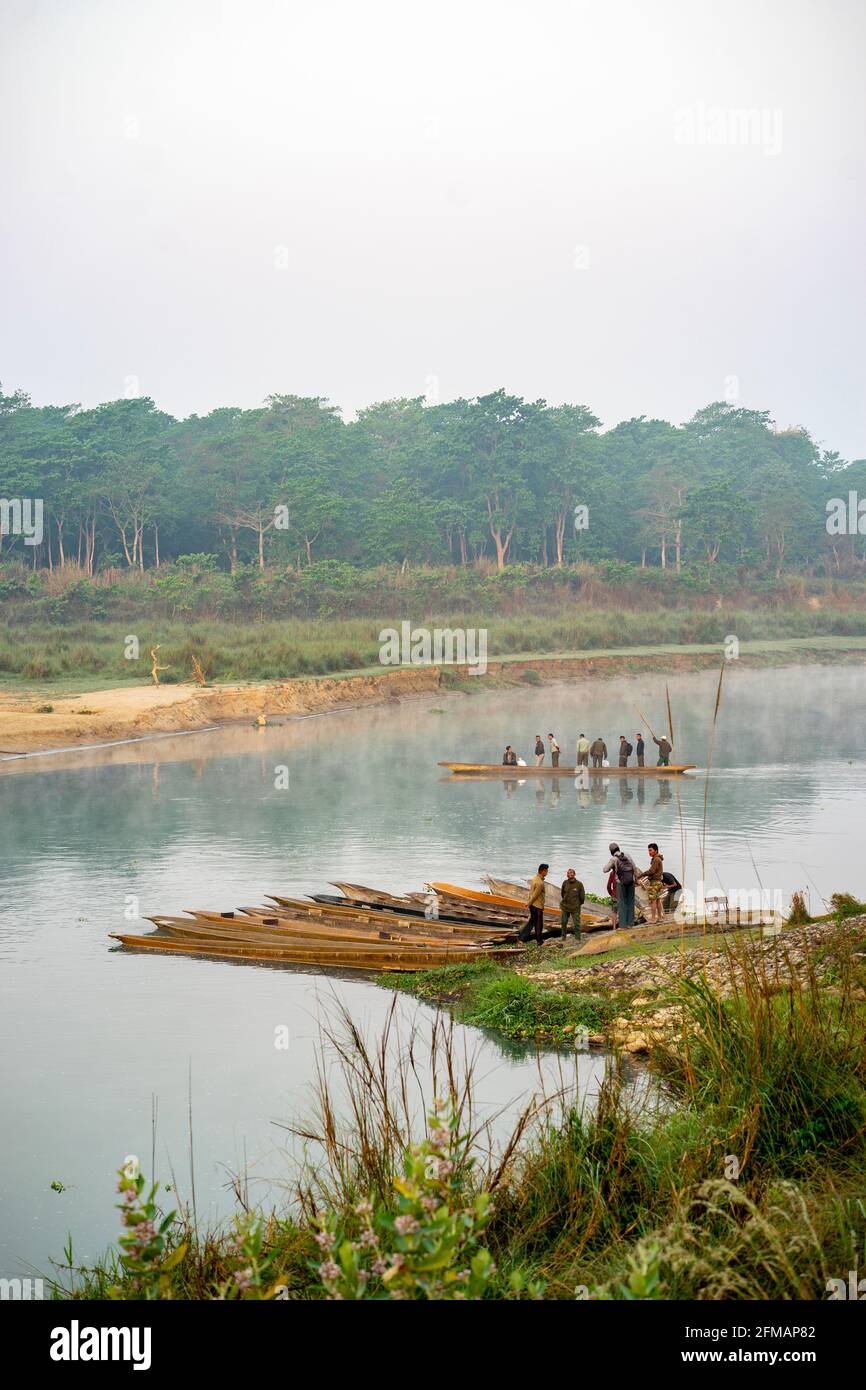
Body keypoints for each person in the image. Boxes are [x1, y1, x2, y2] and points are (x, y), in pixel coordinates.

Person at [602, 841, 638, 929]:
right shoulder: (627, 855)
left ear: (611, 852)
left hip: (621, 883)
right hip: (631, 881)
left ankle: (623, 926)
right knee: (630, 902)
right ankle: (630, 924)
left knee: (622, 903)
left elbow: (605, 869)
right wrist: (635, 879)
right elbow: (634, 867)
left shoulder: (614, 859)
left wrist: (613, 866)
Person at [518, 863, 550, 944]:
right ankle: (539, 941)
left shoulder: (535, 878)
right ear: (543, 871)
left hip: (533, 906)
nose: (547, 872)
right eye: (546, 871)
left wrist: (529, 903)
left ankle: (522, 938)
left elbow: (531, 893)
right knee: (538, 924)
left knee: (532, 922)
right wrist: (528, 903)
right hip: (537, 906)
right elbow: (535, 895)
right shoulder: (540, 883)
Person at [639, 842, 665, 923]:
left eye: (651, 850)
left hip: (654, 883)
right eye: (648, 850)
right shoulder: (658, 858)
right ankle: (660, 917)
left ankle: (653, 919)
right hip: (659, 883)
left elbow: (652, 871)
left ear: (656, 850)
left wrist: (642, 874)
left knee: (653, 901)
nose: (649, 852)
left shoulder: (656, 859)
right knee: (658, 900)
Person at [560, 869, 585, 945]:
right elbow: (562, 893)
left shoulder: (579, 884)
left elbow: (582, 897)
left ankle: (578, 938)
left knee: (577, 923)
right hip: (565, 906)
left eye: (571, 872)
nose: (569, 874)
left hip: (575, 907)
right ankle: (563, 937)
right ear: (567, 875)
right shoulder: (565, 883)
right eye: (568, 873)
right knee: (563, 922)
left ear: (574, 874)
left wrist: (578, 904)